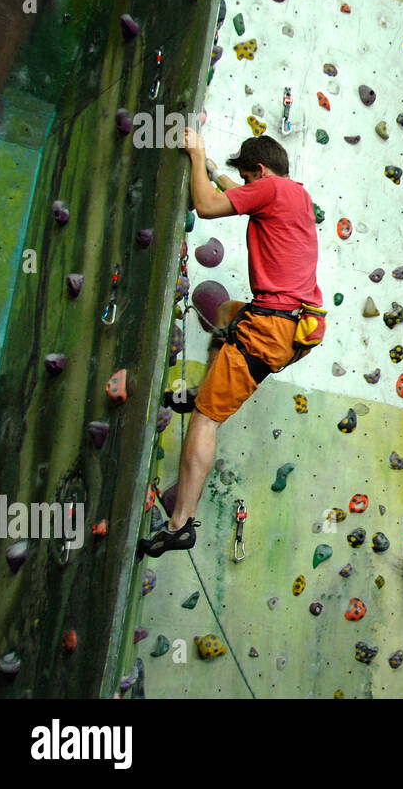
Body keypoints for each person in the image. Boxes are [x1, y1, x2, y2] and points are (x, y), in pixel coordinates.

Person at [138, 129, 326, 557]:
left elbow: (205, 207)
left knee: (206, 421)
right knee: (225, 314)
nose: (246, 189)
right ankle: (208, 389)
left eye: (247, 179)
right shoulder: (292, 193)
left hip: (270, 329)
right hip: (295, 324)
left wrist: (196, 152)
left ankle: (179, 524)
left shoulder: (269, 190)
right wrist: (219, 174)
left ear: (259, 171)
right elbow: (237, 195)